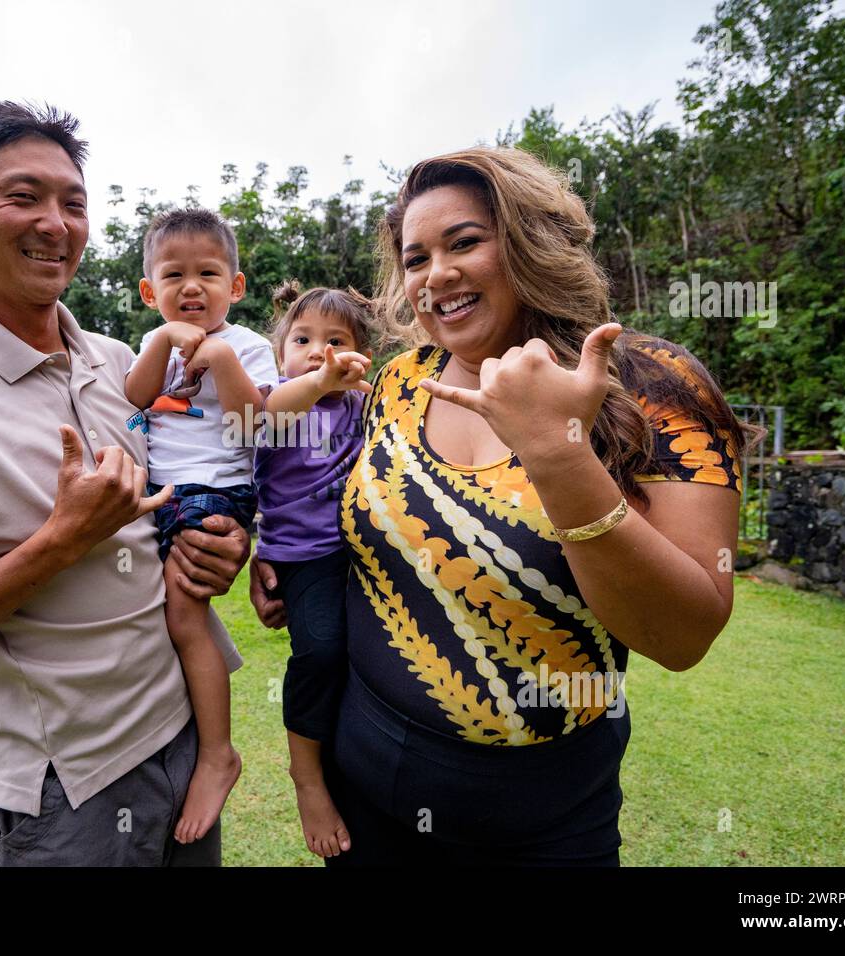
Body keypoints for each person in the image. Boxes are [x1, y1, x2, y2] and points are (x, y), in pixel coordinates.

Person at [250, 146, 764, 866]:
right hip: (366, 770)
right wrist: (277, 559)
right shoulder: (402, 380)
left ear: (530, 240)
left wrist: (558, 455)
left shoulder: (654, 386)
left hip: (548, 812)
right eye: (416, 258)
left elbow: (683, 637)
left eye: (464, 242)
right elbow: (342, 501)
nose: (436, 276)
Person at [0, 101, 251, 866]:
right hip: (68, 794)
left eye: (73, 203)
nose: (55, 223)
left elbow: (182, 482)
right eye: (23, 197)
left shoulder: (114, 359)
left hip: (183, 738)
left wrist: (219, 543)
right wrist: (64, 540)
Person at [123, 208, 279, 844]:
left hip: (217, 488)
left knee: (184, 617)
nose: (192, 287)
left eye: (208, 273)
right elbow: (136, 398)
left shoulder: (246, 346)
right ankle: (195, 741)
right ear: (148, 291)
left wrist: (215, 355)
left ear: (235, 287)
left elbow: (254, 423)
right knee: (166, 613)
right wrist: (162, 343)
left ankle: (218, 753)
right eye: (174, 274)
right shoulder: (151, 344)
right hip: (164, 494)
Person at [252, 281, 374, 858]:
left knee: (365, 659)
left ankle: (354, 765)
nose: (318, 352)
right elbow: (270, 417)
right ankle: (307, 776)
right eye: (302, 339)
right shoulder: (275, 401)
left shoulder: (359, 405)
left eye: (335, 341)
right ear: (281, 354)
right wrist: (321, 380)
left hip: (363, 553)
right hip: (303, 559)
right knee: (321, 651)